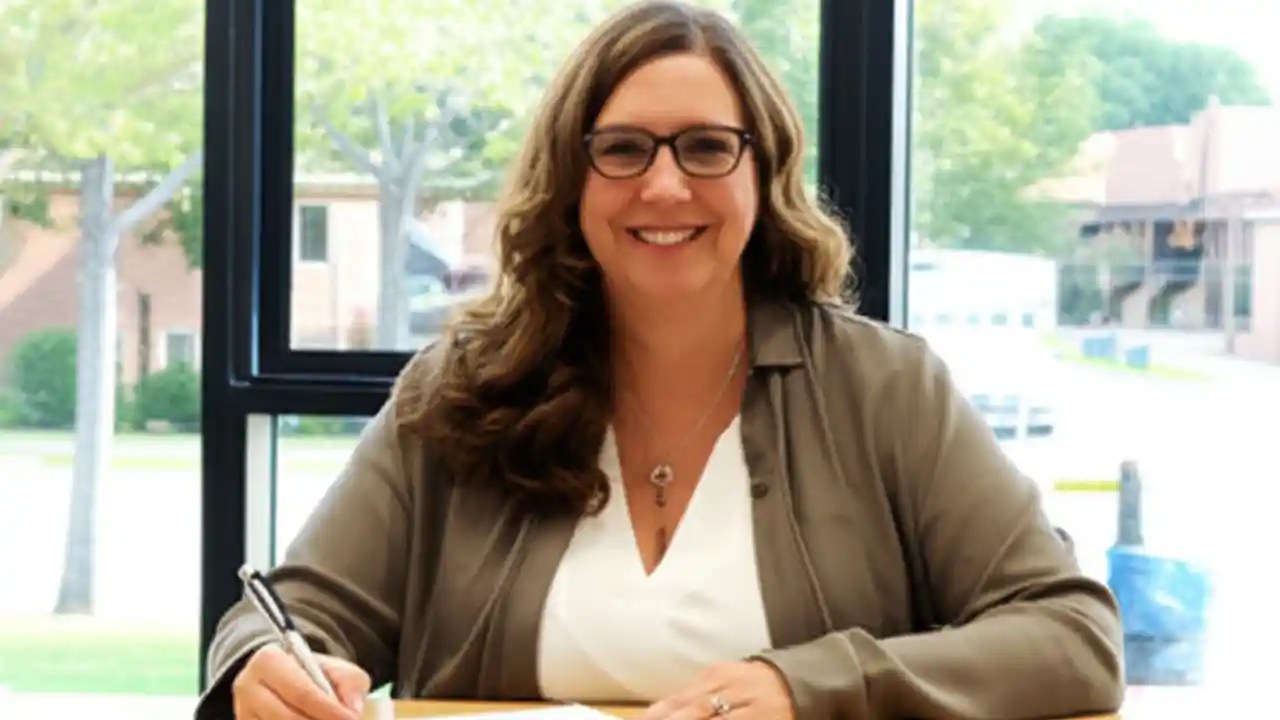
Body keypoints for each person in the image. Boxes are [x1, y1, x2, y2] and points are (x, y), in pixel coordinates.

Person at [197, 1, 1125, 718]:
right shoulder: (459, 392)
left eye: (708, 147)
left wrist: (818, 686)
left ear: (763, 176)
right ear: (571, 177)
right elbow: (292, 613)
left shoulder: (886, 390)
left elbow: (1072, 633)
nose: (666, 183)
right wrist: (263, 662)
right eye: (625, 149)